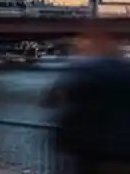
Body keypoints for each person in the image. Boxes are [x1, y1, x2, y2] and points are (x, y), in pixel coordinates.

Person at [50, 28, 130, 174]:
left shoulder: (85, 71)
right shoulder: (124, 70)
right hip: (121, 151)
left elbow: (54, 99)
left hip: (90, 151)